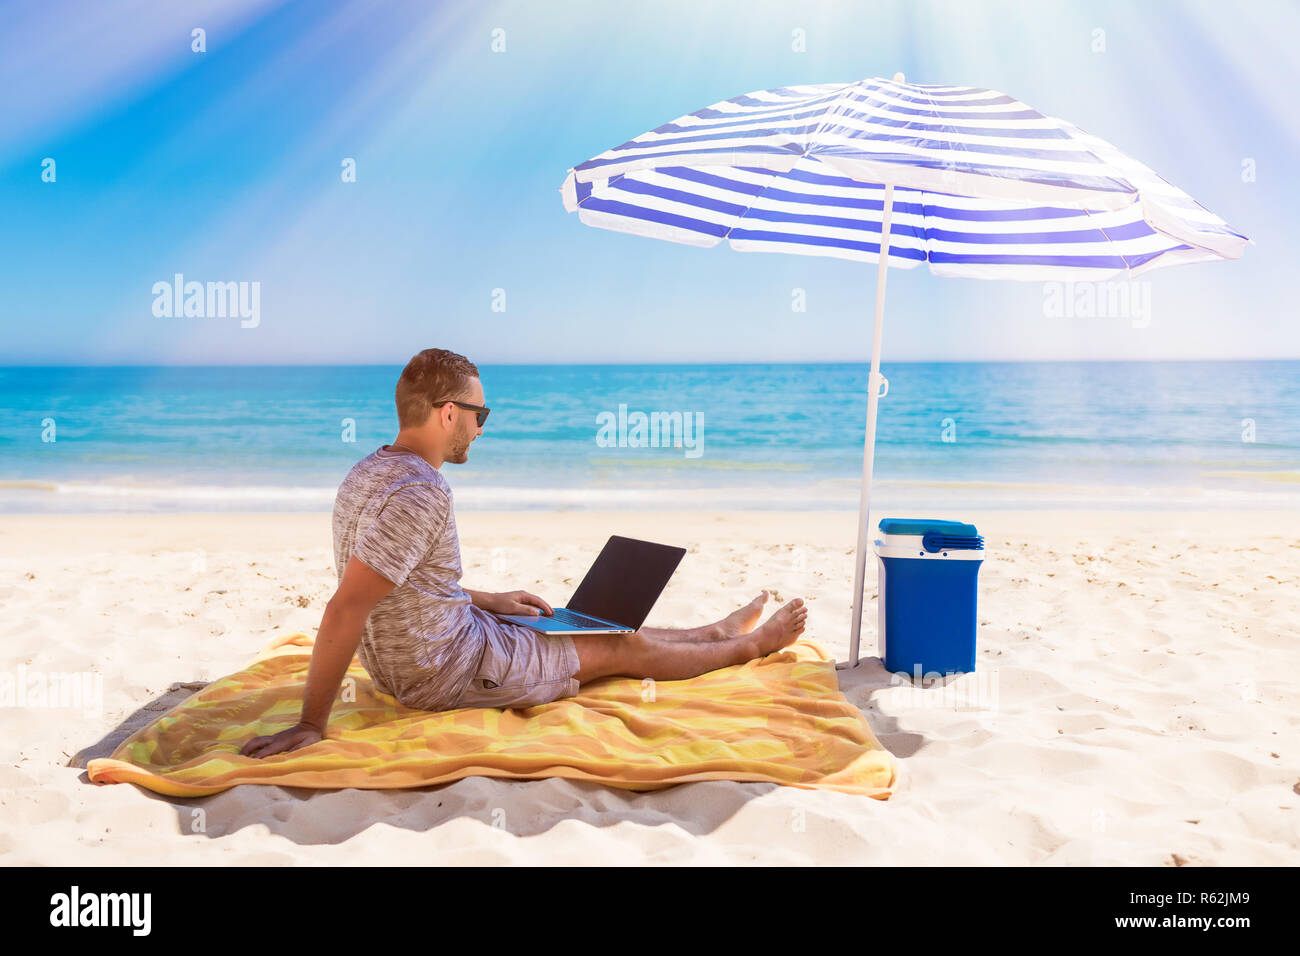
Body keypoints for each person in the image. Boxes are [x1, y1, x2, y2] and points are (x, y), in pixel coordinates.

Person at [241, 348, 806, 758]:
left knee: (569, 622)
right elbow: (346, 606)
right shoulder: (421, 491)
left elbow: (401, 585)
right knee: (618, 646)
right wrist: (311, 723)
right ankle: (748, 645)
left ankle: (708, 634)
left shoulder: (369, 471)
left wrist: (489, 600)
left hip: (434, 646)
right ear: (447, 413)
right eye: (479, 415)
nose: (482, 429)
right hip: (441, 672)